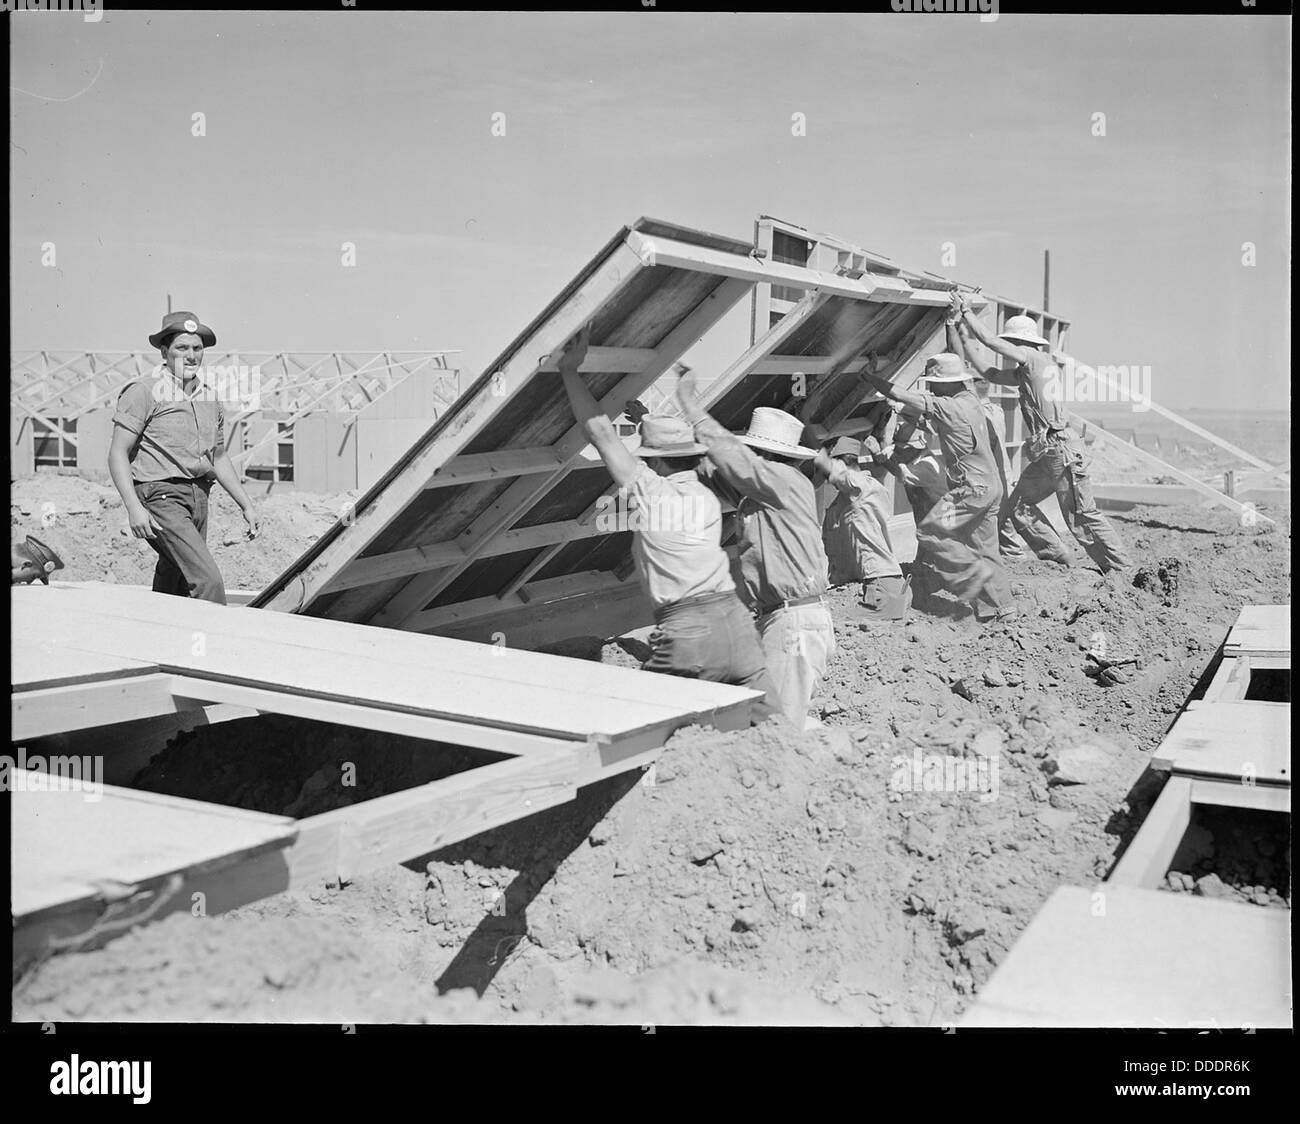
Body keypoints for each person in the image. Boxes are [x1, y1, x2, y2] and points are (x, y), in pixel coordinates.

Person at [556, 329, 777, 718]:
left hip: (688, 632)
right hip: (739, 626)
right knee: (769, 728)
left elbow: (601, 433)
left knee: (642, 733)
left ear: (654, 461)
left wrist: (570, 372)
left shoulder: (652, 492)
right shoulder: (709, 496)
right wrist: (651, 422)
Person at [676, 376, 834, 731]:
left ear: (762, 455)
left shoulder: (783, 481)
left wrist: (692, 409)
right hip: (786, 619)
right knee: (770, 717)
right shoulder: (765, 492)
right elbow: (716, 473)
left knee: (777, 728)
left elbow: (733, 463)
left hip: (794, 623)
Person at [954, 296, 1129, 572]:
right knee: (1020, 506)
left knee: (1081, 516)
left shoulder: (1035, 359)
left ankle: (1122, 569)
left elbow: (990, 342)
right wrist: (963, 338)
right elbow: (989, 372)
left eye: (1012, 343)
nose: (1010, 348)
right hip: (1049, 452)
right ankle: (1061, 558)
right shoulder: (1028, 370)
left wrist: (965, 313)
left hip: (1062, 451)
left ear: (1021, 344)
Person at [108, 311, 259, 603]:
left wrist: (246, 505)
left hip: (199, 496)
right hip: (161, 497)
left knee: (175, 578)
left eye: (197, 348)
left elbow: (219, 456)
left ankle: (158, 642)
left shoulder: (209, 397)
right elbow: (117, 453)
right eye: (182, 347)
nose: (191, 355)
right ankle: (216, 646)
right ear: (164, 352)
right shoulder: (144, 391)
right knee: (207, 581)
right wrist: (133, 507)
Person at [862, 353, 1017, 624]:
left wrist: (868, 377)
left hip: (971, 488)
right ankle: (1002, 610)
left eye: (933, 382)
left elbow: (899, 394)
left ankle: (973, 580)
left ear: (946, 384)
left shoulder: (946, 406)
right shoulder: (969, 400)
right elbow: (932, 422)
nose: (931, 387)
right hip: (991, 487)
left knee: (930, 531)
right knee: (987, 549)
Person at [810, 435, 909, 619]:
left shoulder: (862, 486)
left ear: (842, 462)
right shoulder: (840, 504)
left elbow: (831, 467)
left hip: (880, 586)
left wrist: (809, 434)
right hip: (859, 586)